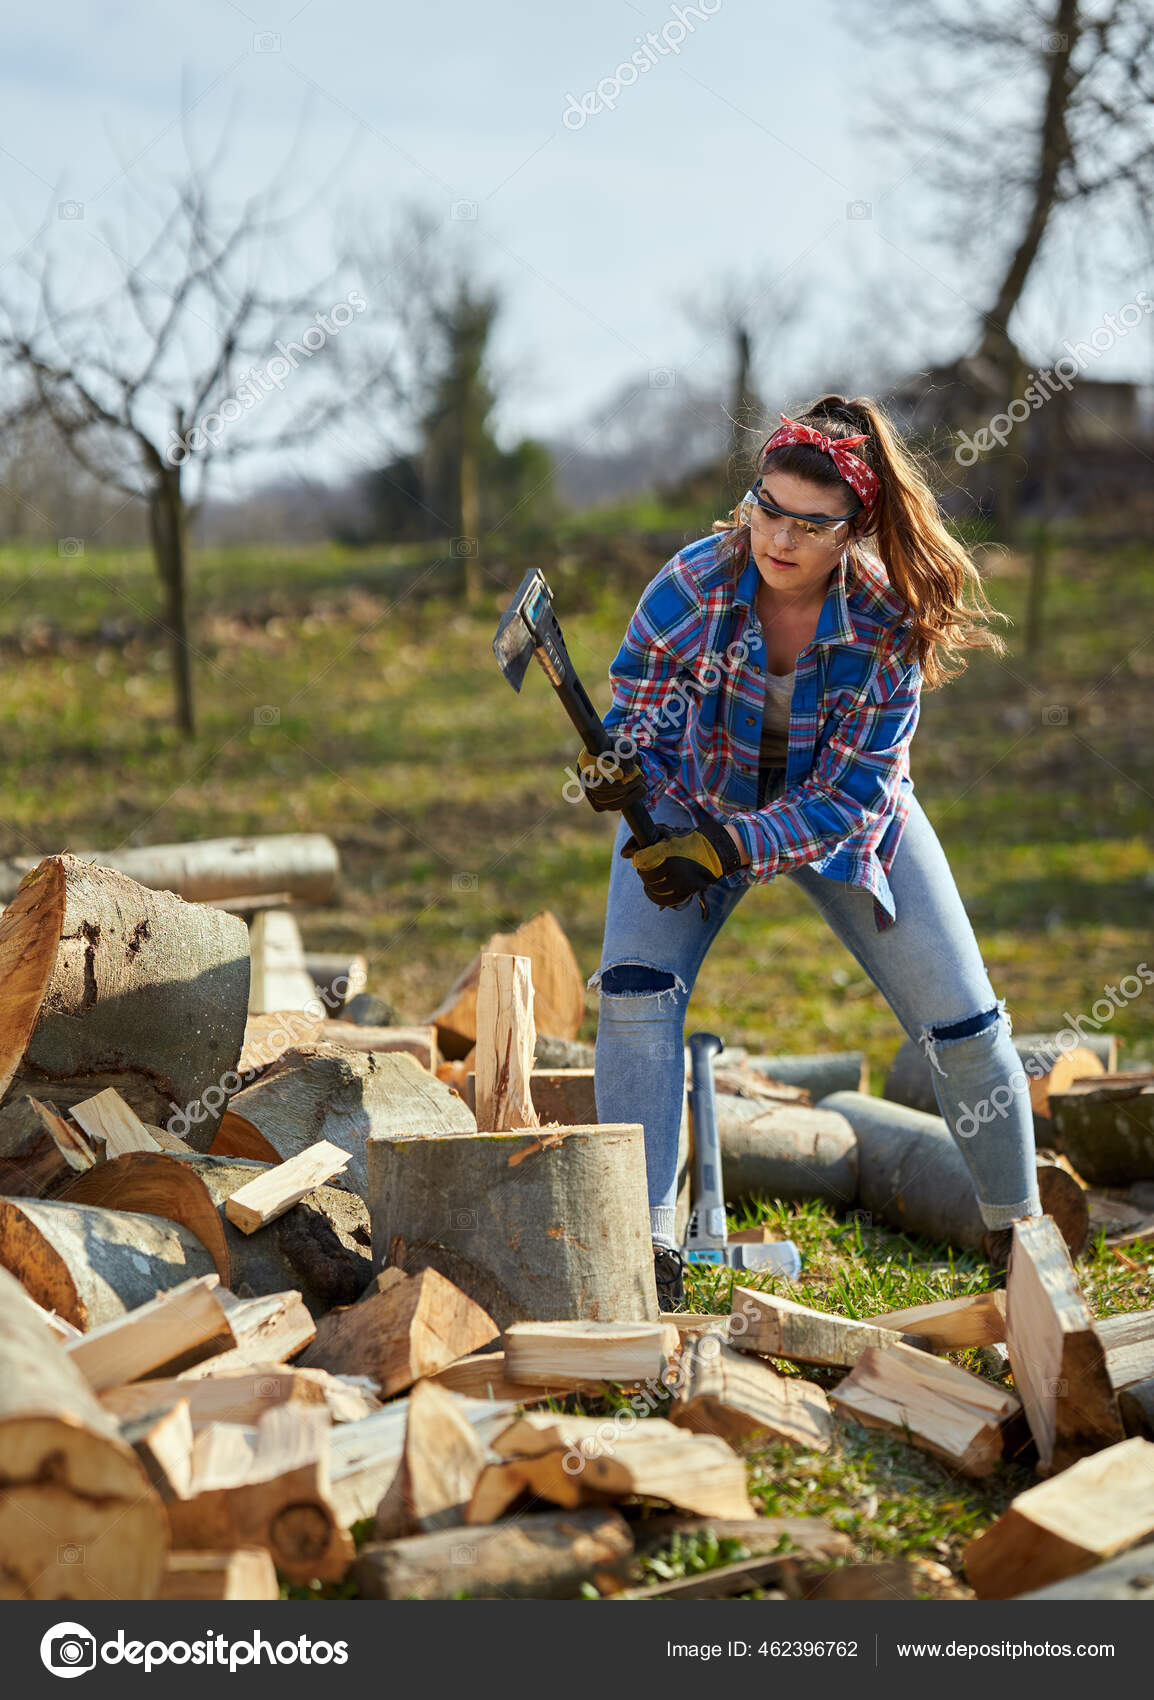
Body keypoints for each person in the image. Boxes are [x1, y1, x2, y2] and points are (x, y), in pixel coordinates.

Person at [577, 394, 1041, 1311]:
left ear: (851, 530)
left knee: (967, 1029)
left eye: (810, 523)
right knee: (633, 1000)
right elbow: (637, 704)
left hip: (846, 832)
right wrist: (619, 763)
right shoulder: (693, 583)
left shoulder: (886, 624)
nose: (780, 537)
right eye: (768, 508)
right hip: (693, 808)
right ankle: (642, 1248)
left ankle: (1017, 1238)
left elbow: (850, 798)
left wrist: (729, 848)